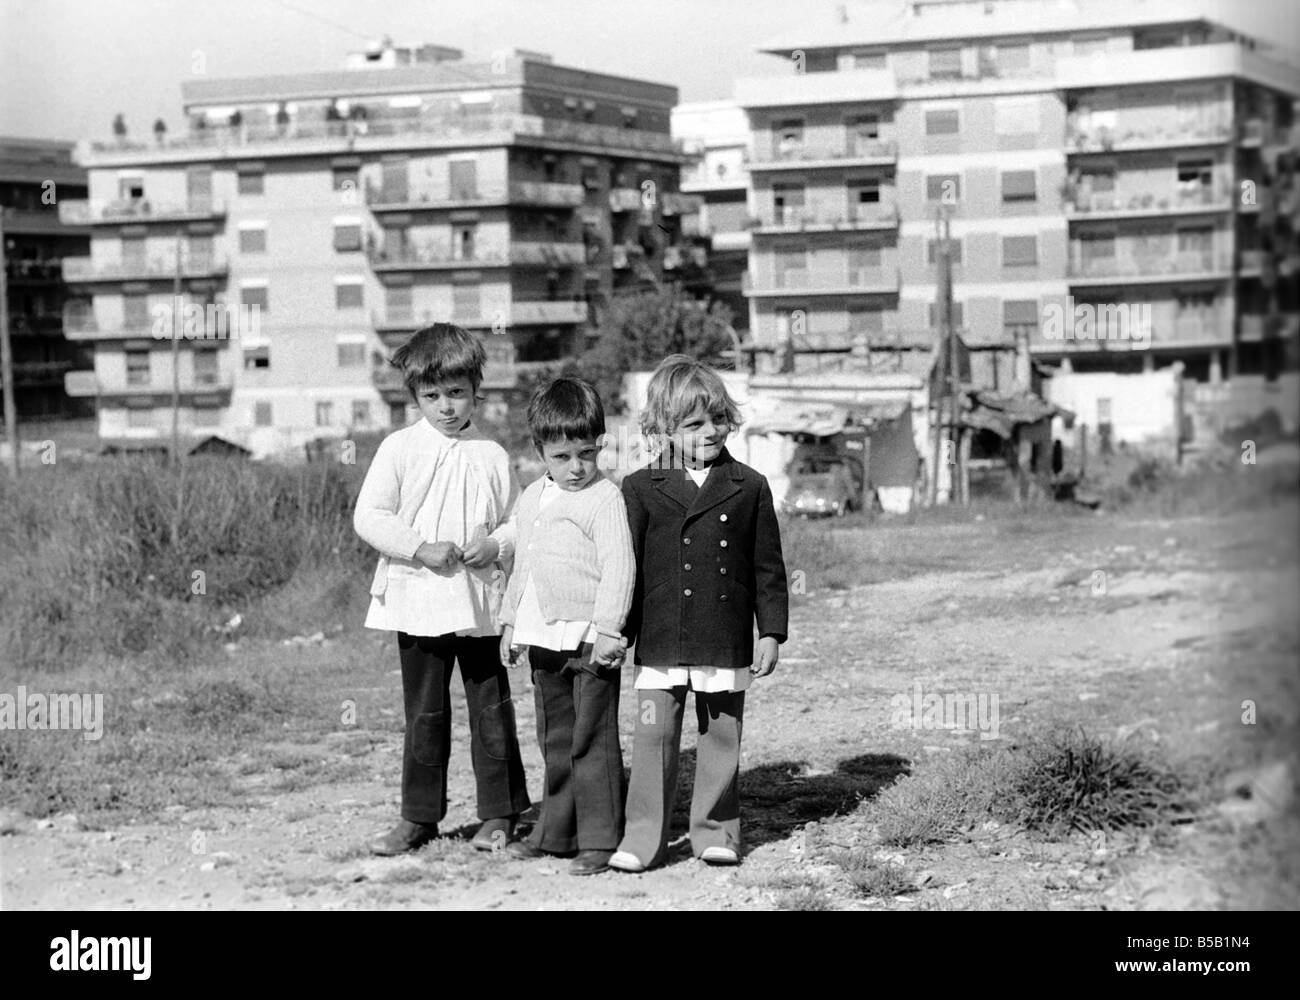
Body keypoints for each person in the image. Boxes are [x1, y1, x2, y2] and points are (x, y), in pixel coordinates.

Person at [353, 323, 530, 856]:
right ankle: (419, 817)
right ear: (415, 397)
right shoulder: (399, 448)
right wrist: (417, 546)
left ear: (477, 390)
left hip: (479, 602)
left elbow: (519, 521)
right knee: (425, 713)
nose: (446, 407)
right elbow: (369, 516)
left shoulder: (491, 455)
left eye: (456, 393)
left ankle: (500, 813)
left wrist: (495, 546)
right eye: (432, 396)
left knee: (491, 708)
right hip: (418, 600)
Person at [610, 355, 789, 872]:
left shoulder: (749, 485)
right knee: (653, 737)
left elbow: (768, 567)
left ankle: (716, 831)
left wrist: (770, 631)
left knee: (722, 736)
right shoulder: (641, 486)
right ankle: (643, 838)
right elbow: (630, 567)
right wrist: (618, 631)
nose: (709, 431)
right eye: (693, 424)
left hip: (725, 636)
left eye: (718, 419)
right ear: (664, 427)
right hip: (661, 638)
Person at [497, 377, 635, 876]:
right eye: (562, 456)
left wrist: (610, 630)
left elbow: (620, 567)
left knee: (591, 738)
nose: (576, 467)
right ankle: (555, 830)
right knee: (554, 737)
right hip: (543, 636)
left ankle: (599, 837)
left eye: (586, 453)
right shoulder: (532, 497)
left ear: (599, 445)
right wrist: (511, 622)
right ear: (540, 451)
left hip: (589, 639)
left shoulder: (605, 499)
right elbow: (524, 566)